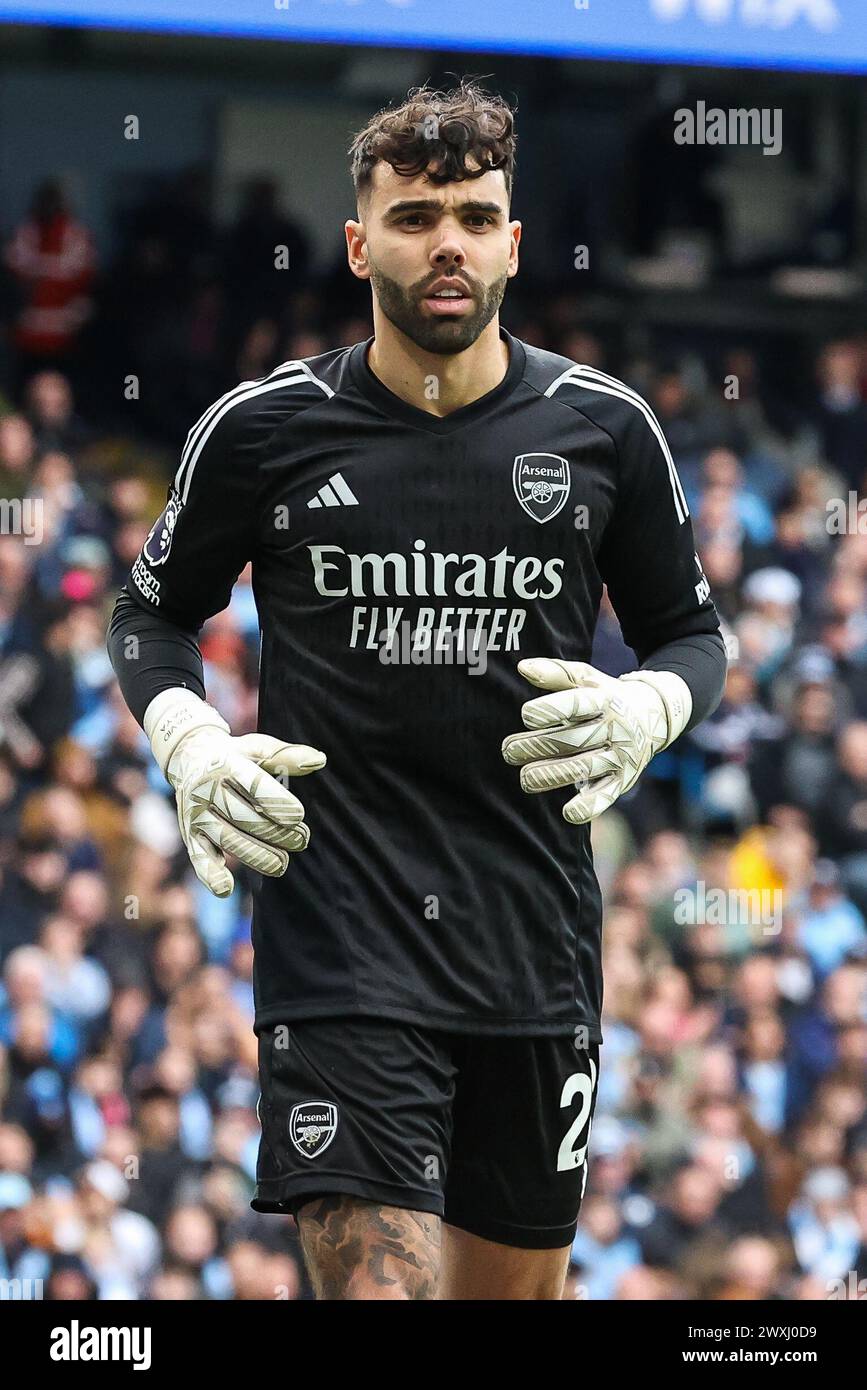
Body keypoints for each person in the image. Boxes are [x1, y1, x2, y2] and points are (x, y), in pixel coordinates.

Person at [107, 80, 727, 1300]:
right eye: (415, 215)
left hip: (533, 949)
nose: (446, 239)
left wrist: (650, 705)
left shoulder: (604, 428)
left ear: (512, 240)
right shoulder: (262, 428)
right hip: (342, 945)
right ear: (359, 242)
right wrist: (188, 738)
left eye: (474, 214)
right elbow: (148, 611)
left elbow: (692, 633)